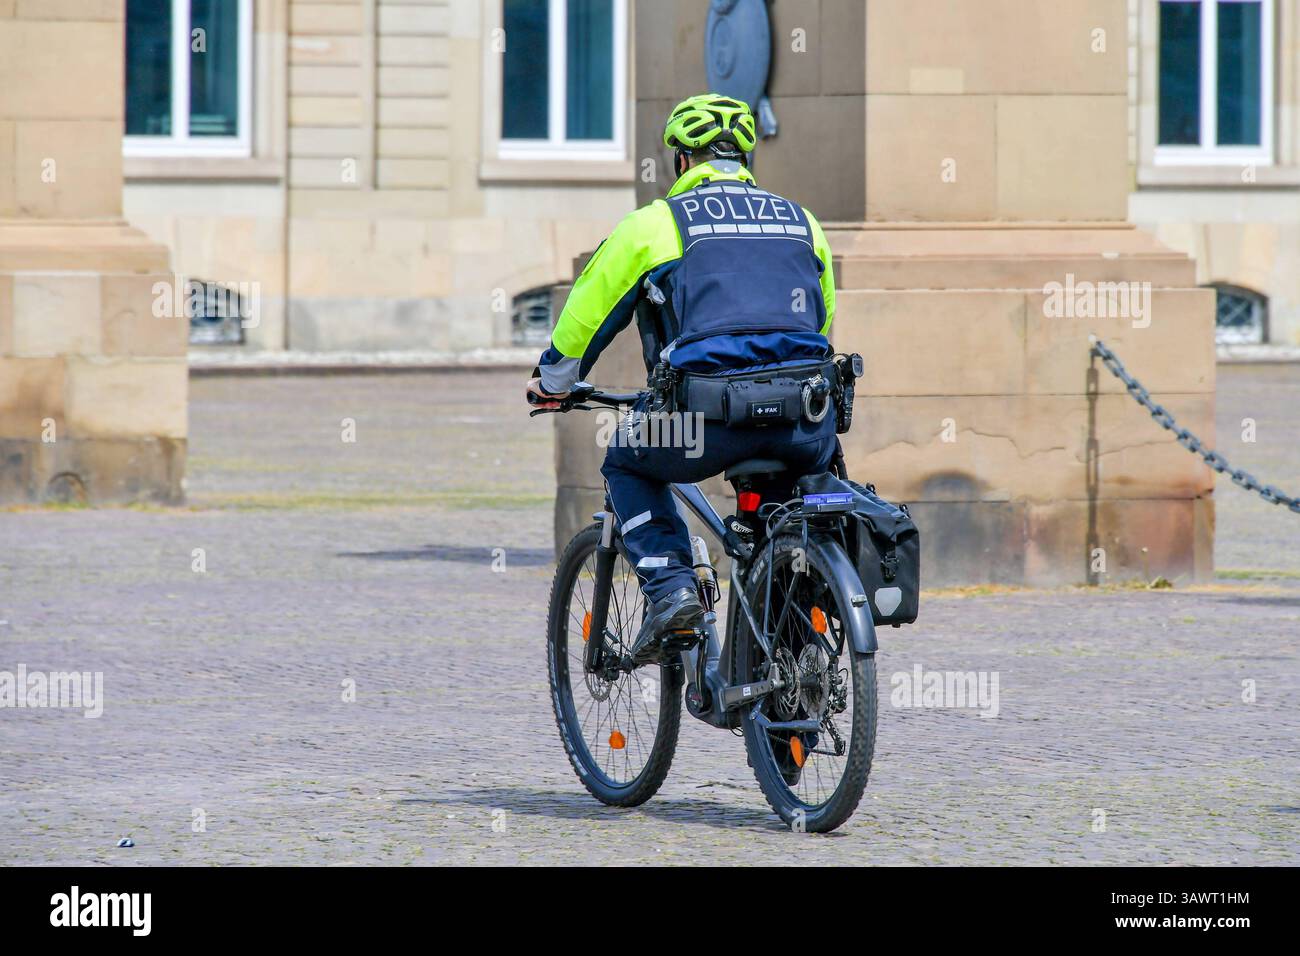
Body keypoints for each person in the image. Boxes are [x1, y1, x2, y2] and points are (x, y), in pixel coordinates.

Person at [526, 93, 839, 662]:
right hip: (803, 420)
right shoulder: (804, 222)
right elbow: (822, 320)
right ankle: (793, 673)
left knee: (626, 458)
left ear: (681, 161)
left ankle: (671, 591)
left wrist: (554, 381)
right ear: (745, 159)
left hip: (702, 423)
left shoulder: (655, 226)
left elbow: (585, 315)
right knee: (778, 517)